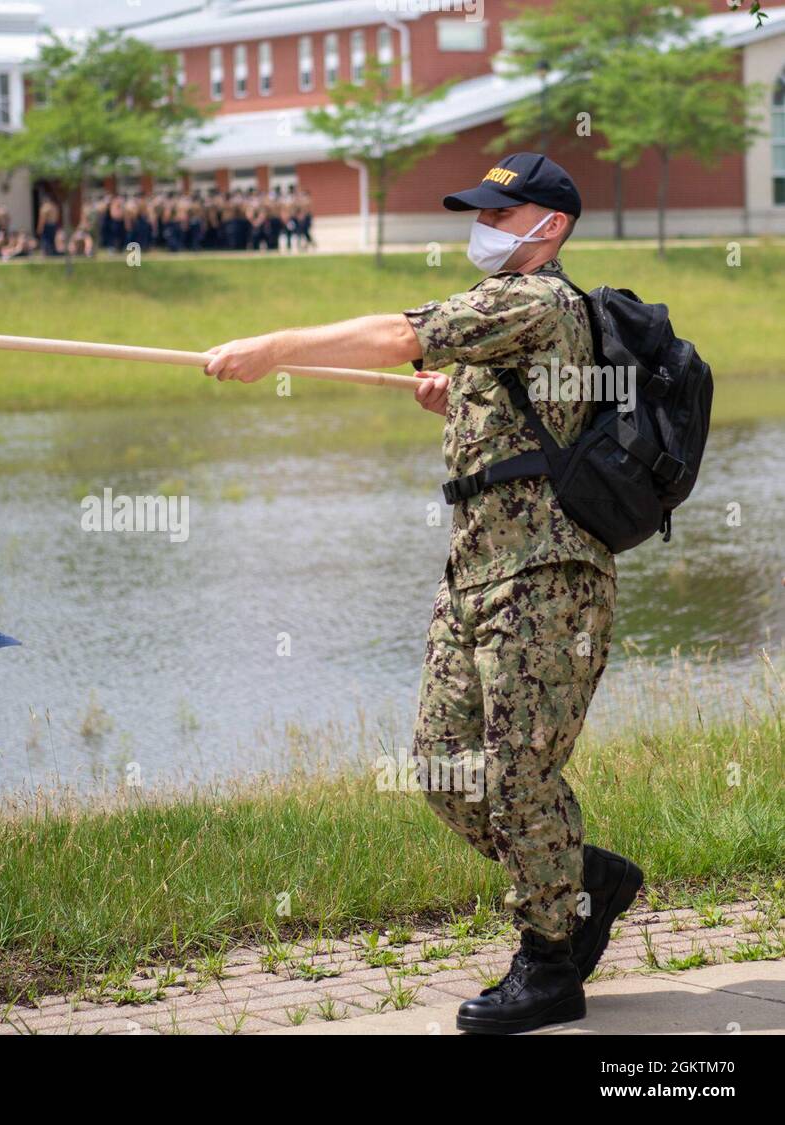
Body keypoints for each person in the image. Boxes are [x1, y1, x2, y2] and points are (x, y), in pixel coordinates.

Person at [202, 152, 643, 1035]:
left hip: (545, 578)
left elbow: (395, 334)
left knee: (520, 771)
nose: (482, 226)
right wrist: (459, 402)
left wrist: (272, 349)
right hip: (473, 571)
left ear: (549, 227)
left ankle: (549, 964)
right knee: (442, 763)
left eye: (501, 214)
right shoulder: (511, 322)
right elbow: (530, 414)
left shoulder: (537, 300)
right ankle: (580, 877)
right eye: (481, 210)